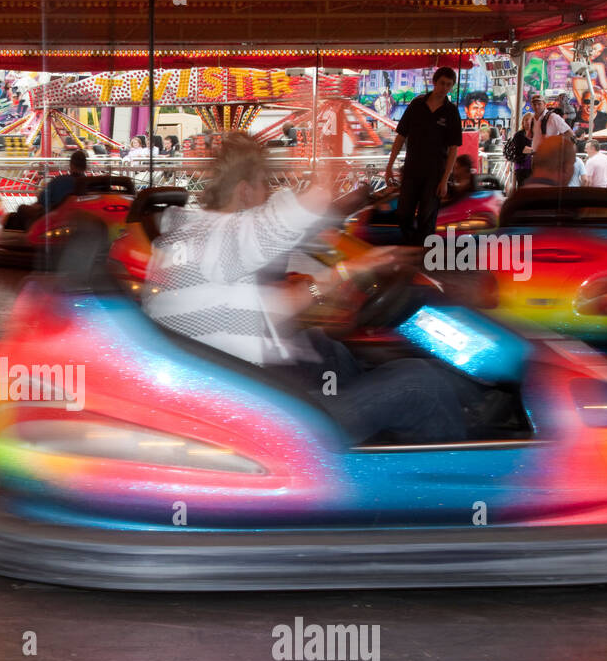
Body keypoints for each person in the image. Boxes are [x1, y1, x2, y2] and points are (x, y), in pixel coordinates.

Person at [145, 132, 471, 444]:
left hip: (233, 398)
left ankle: (376, 451)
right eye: (265, 184)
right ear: (244, 190)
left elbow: (279, 307)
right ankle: (456, 487)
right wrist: (325, 186)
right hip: (245, 422)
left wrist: (345, 274)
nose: (270, 193)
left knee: (325, 348)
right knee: (419, 384)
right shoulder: (218, 237)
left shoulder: (200, 240)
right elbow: (286, 220)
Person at [384, 66, 462, 245]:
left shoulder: (451, 112)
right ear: (435, 83)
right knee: (403, 213)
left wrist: (445, 179)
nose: (444, 88)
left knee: (427, 218)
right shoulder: (416, 105)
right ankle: (414, 248)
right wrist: (389, 166)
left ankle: (422, 255)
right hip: (412, 169)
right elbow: (400, 137)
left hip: (435, 173)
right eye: (442, 83)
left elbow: (453, 148)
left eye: (449, 85)